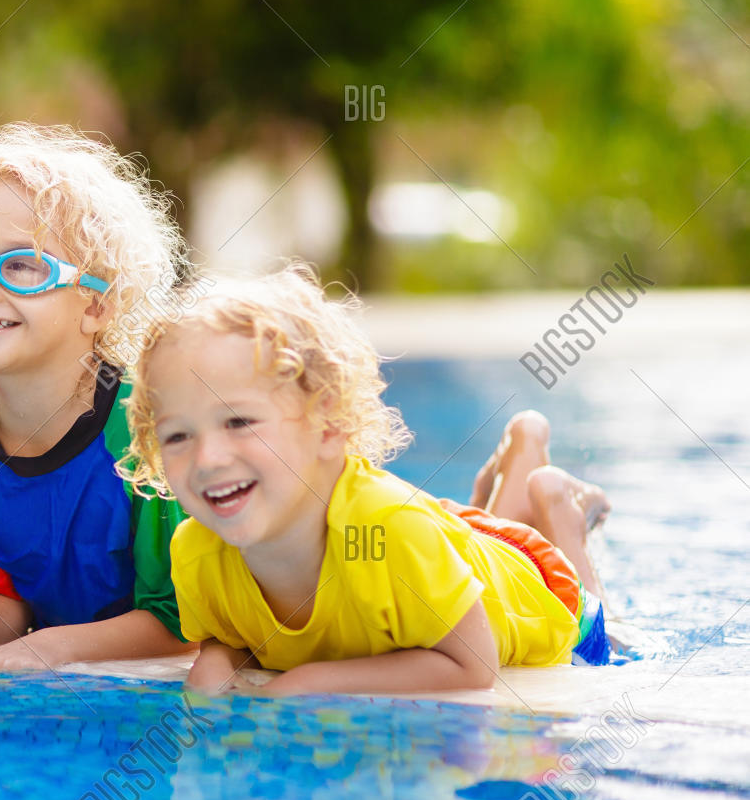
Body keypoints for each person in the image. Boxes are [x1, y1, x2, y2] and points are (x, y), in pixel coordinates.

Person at [122, 263, 613, 696]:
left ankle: (558, 506)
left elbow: (473, 666)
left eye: (238, 422)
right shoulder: (196, 550)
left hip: (548, 598)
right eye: (178, 435)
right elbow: (228, 636)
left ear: (327, 424)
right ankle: (523, 454)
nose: (207, 458)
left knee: (603, 630)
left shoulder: (387, 532)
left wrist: (306, 683)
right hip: (445, 548)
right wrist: (215, 662)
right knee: (466, 544)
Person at [0, 123, 196, 670]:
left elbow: (182, 619)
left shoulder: (149, 423)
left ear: (97, 305)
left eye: (22, 265)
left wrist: (50, 648)